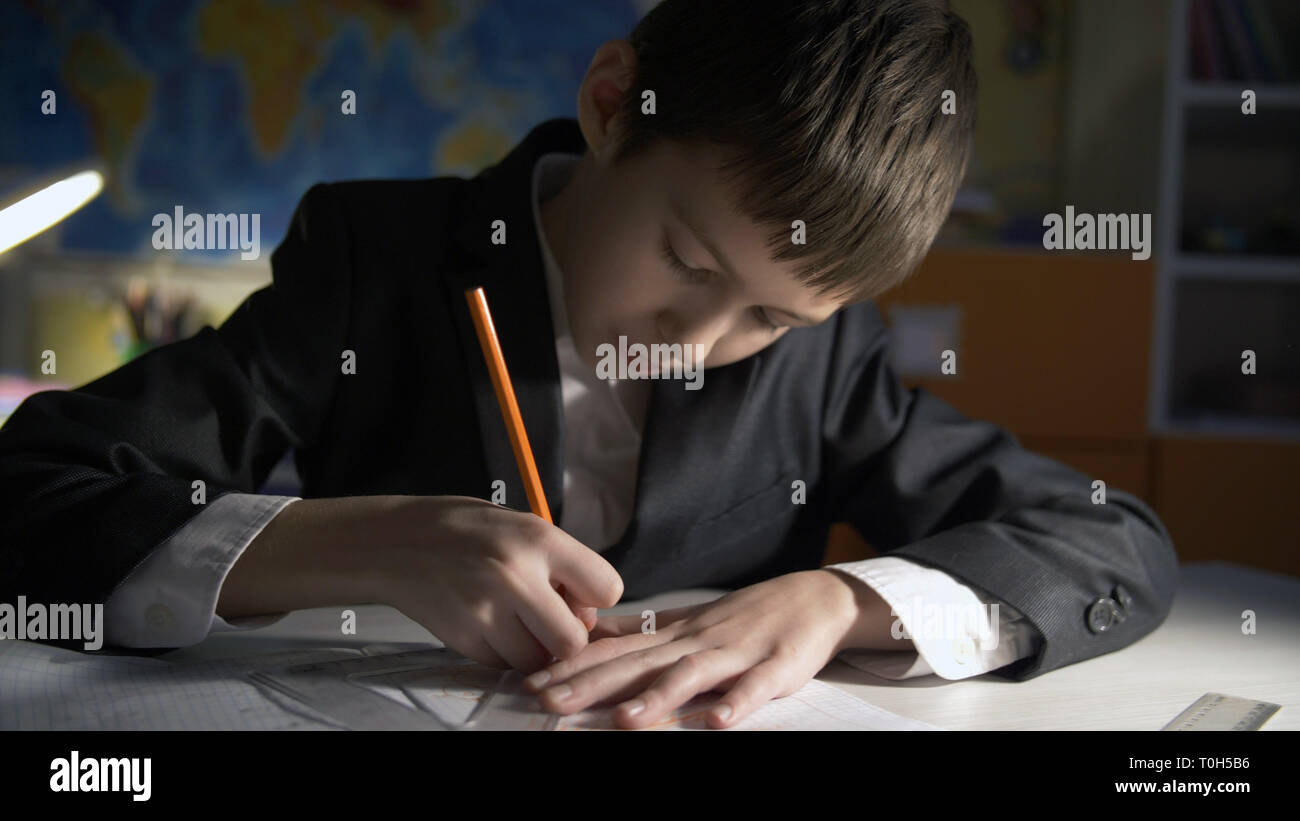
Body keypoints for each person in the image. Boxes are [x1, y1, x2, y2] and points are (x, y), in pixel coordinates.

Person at [0, 0, 1177, 730]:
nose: (703, 344)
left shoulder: (821, 364)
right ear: (614, 102)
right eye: (685, 258)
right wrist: (342, 539)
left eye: (770, 316)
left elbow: (1106, 535)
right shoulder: (379, 262)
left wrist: (842, 597)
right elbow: (32, 497)